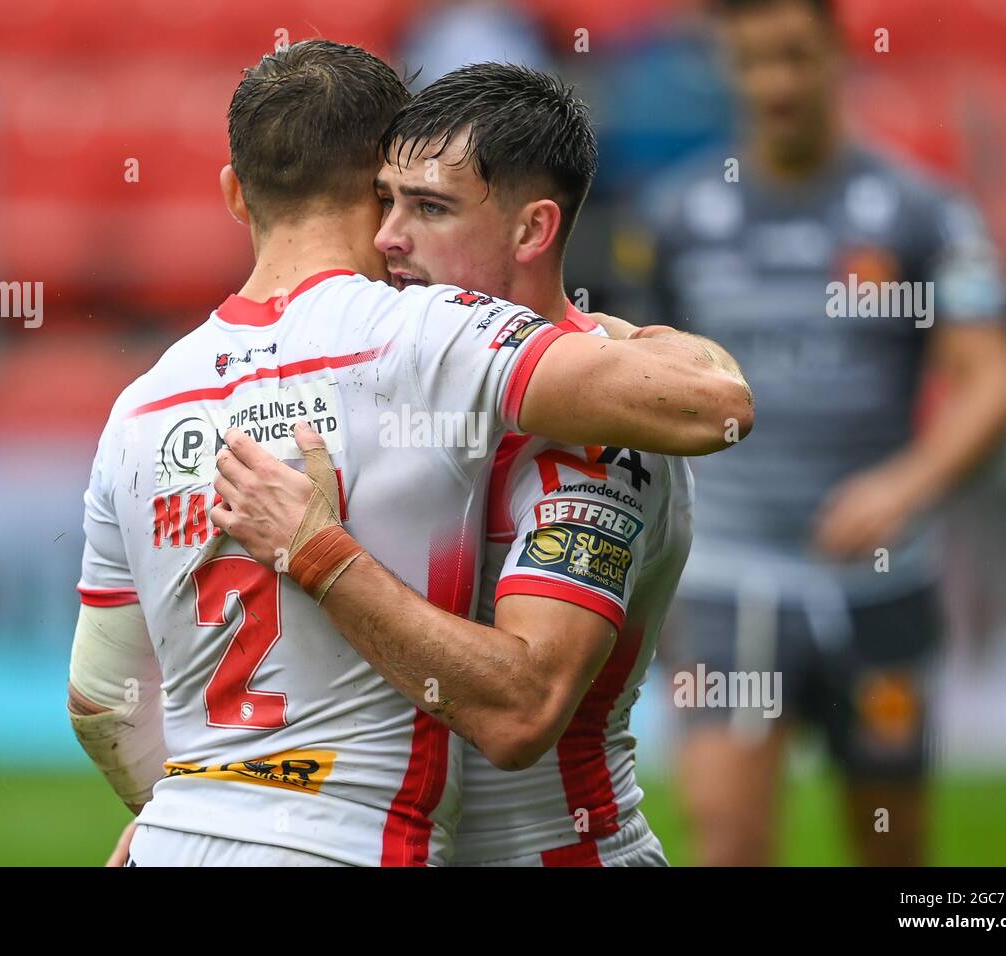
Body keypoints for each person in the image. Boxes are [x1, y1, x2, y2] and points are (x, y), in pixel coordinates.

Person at [70, 40, 754, 867]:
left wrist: (320, 556)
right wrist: (205, 807)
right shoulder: (413, 350)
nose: (391, 237)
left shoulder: (584, 428)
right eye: (384, 201)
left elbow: (522, 711)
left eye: (427, 208)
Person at [630, 0, 1006, 865]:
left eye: (793, 57)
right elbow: (636, 385)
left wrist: (905, 486)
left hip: (881, 584)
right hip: (729, 581)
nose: (776, 82)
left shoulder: (923, 213)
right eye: (753, 61)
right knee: (728, 842)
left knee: (892, 849)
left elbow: (991, 379)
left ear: (838, 55)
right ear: (727, 68)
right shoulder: (676, 215)